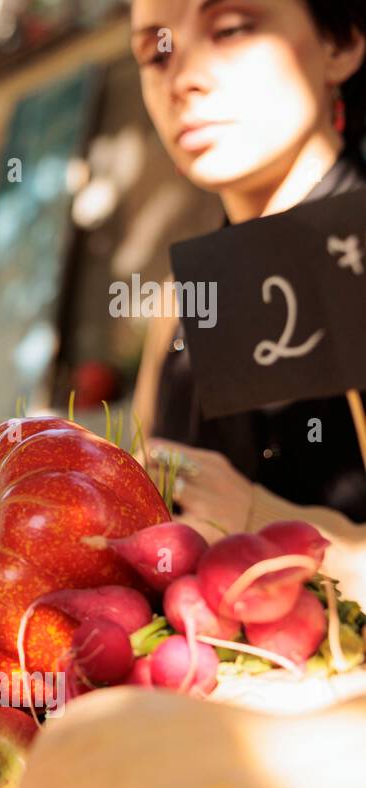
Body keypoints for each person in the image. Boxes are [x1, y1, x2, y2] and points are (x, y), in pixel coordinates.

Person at [128, 0, 366, 595]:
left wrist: (259, 520)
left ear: (339, 45)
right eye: (155, 52)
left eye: (230, 29)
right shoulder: (181, 296)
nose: (182, 79)